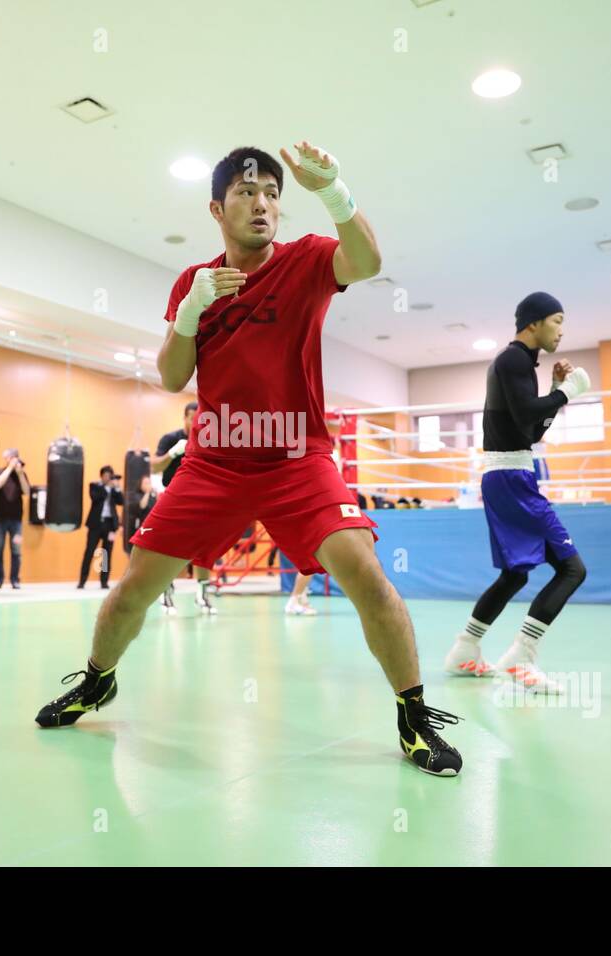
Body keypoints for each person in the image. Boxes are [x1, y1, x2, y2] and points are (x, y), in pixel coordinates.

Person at [35, 142, 462, 776]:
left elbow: (368, 261)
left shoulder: (310, 260)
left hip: (298, 457)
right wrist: (189, 313)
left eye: (271, 194)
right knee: (132, 592)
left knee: (366, 575)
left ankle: (413, 716)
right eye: (246, 192)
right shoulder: (195, 280)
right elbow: (172, 378)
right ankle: (98, 680)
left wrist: (335, 190)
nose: (262, 204)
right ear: (217, 207)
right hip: (214, 464)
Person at [443, 292, 590, 693]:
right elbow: (528, 414)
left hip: (507, 474)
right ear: (534, 323)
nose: (561, 330)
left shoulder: (521, 364)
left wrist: (557, 389)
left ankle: (465, 649)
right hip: (511, 478)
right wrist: (568, 392)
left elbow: (530, 430)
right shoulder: (512, 360)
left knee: (515, 574)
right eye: (557, 320)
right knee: (572, 569)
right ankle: (522, 654)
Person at [153, 401, 217, 614]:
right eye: (194, 418)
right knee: (169, 549)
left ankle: (202, 595)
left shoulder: (208, 441)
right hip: (173, 498)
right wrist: (172, 453)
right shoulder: (171, 439)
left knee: (205, 550)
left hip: (201, 498)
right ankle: (165, 591)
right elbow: (153, 464)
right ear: (186, 417)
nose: (197, 422)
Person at [78, 466, 124, 589]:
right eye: (105, 476)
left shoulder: (114, 489)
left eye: (109, 476)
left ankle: (104, 582)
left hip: (110, 525)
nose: (108, 478)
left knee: (106, 554)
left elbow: (121, 501)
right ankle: (82, 581)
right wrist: (107, 487)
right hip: (95, 525)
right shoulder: (95, 486)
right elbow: (95, 497)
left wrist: (117, 488)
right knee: (89, 552)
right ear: (101, 476)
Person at [0, 448, 31, 589]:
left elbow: (27, 491)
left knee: (16, 551)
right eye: (12, 457)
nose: (15, 460)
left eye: (16, 458)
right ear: (7, 458)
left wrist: (20, 474)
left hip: (16, 521)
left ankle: (15, 580)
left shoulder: (21, 475)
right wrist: (9, 468)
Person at [124, 474, 157, 558]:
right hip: (137, 529)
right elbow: (142, 506)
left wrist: (155, 494)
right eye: (146, 483)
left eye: (149, 483)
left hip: (150, 530)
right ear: (140, 484)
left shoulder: (152, 497)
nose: (148, 485)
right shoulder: (135, 495)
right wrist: (147, 492)